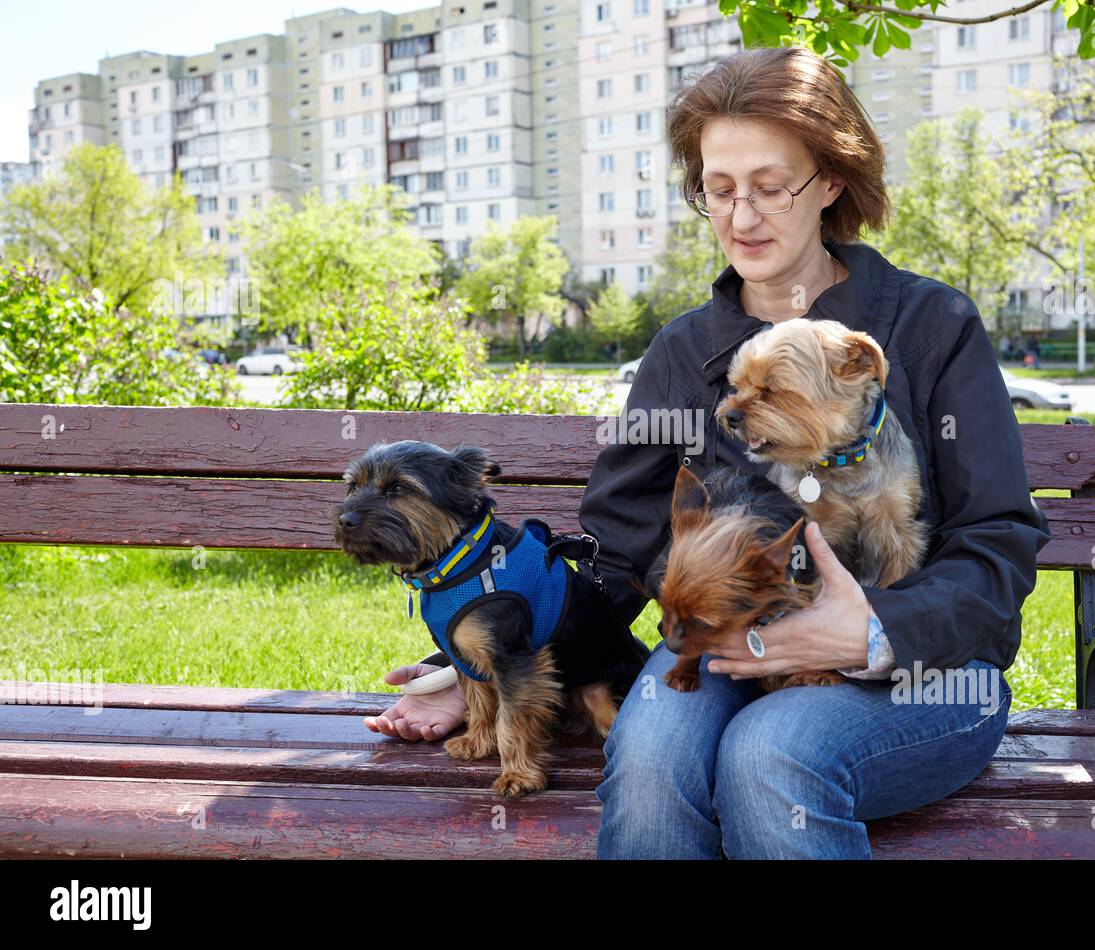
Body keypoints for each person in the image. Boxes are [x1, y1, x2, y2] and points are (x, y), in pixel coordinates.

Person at [361, 46, 1051, 860]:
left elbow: (999, 540)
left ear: (831, 181)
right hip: (726, 653)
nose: (743, 216)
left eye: (770, 186)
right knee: (651, 757)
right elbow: (618, 547)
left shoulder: (930, 327)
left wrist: (872, 629)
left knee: (771, 756)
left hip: (929, 673)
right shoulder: (681, 352)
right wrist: (481, 671)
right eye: (720, 191)